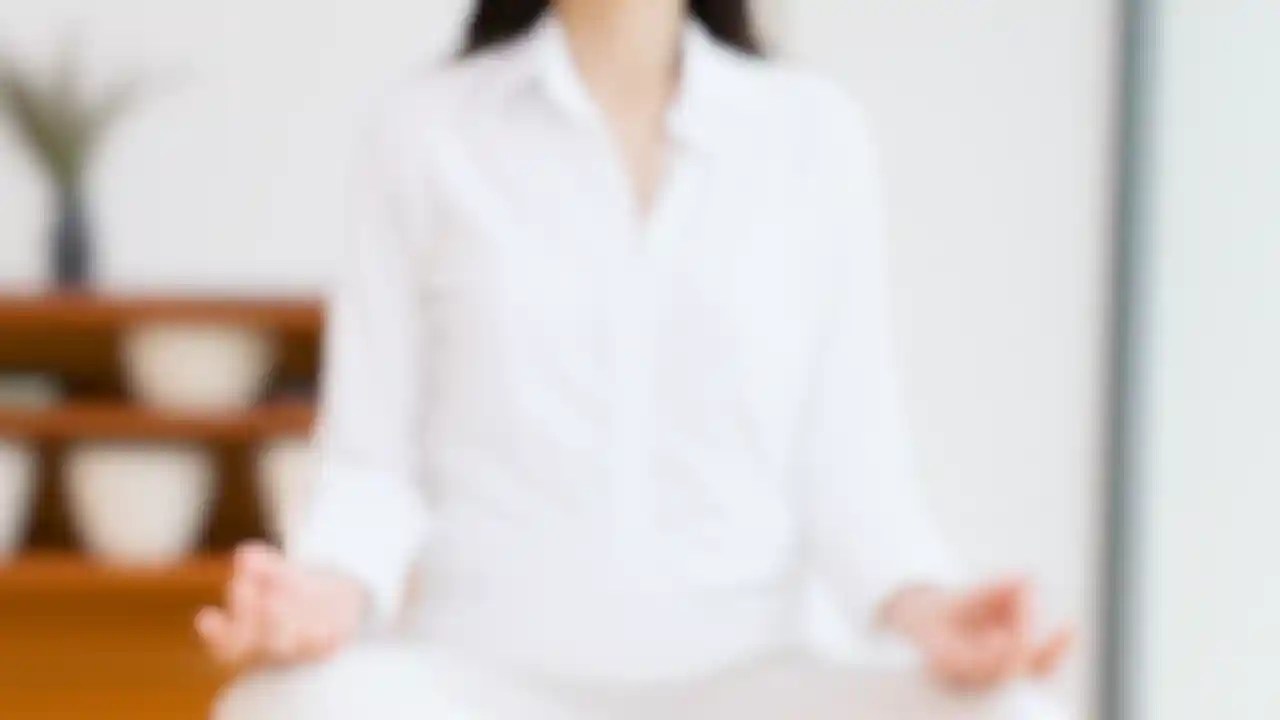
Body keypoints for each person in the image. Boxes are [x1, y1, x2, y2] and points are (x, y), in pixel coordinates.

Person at [198, 1, 1073, 717]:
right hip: (480, 677)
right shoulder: (424, 132)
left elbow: (854, 477)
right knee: (287, 708)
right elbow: (370, 471)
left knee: (1016, 713)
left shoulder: (814, 136)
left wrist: (933, 609)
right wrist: (324, 597)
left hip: (751, 679)